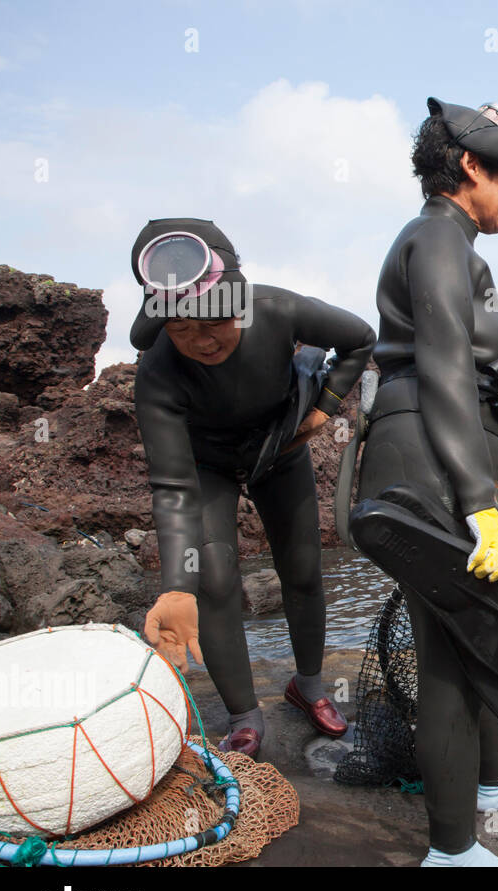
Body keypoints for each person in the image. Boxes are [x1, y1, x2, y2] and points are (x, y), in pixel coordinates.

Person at [356, 98, 498, 867]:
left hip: (457, 455)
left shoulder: (456, 243)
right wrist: (479, 506)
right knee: (448, 647)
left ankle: (493, 779)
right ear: (470, 167)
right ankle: (450, 850)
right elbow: (443, 369)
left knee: (478, 640)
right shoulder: (437, 236)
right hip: (430, 462)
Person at [131, 217, 375, 757]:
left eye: (214, 322)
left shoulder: (277, 310)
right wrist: (175, 586)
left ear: (238, 302)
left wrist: (322, 412)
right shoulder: (157, 374)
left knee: (304, 570)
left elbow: (359, 340)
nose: (202, 340)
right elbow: (171, 486)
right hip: (206, 465)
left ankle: (308, 686)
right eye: (180, 329)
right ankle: (244, 715)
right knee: (213, 581)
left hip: (279, 448)